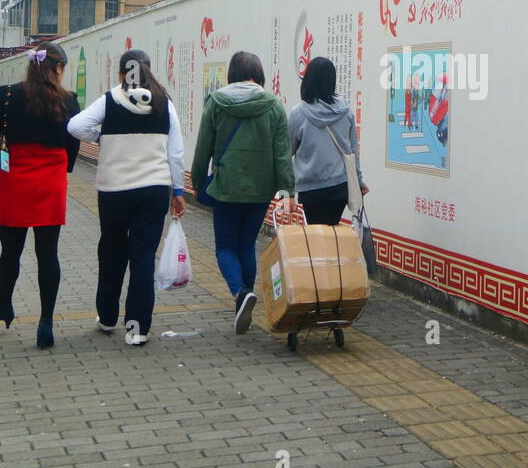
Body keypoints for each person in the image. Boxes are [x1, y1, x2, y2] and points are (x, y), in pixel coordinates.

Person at [0, 42, 80, 349]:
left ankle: (4, 306)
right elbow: (73, 141)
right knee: (48, 253)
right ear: (59, 68)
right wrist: (66, 170)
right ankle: (46, 322)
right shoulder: (68, 100)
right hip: (51, 182)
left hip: (15, 182)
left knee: (10, 251)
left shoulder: (6, 96)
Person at [68, 50, 186, 347]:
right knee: (143, 257)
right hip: (154, 190)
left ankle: (107, 318)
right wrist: (179, 192)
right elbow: (176, 153)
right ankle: (137, 330)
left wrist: (102, 136)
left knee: (111, 252)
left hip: (114, 191)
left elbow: (75, 127)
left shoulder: (109, 100)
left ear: (121, 73)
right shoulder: (164, 103)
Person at [190, 51, 294, 335]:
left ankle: (240, 295)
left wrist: (198, 179)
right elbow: (282, 153)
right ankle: (245, 296)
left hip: (226, 187)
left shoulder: (216, 102)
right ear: (258, 74)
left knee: (225, 246)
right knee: (246, 245)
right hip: (261, 189)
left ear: (231, 74)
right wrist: (287, 189)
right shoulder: (273, 105)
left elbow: (204, 147)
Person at [289, 57, 367, 226]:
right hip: (340, 187)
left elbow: (287, 151)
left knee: (318, 240)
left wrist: (285, 190)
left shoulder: (298, 113)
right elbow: (353, 152)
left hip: (312, 190)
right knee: (332, 237)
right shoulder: (345, 112)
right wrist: (359, 182)